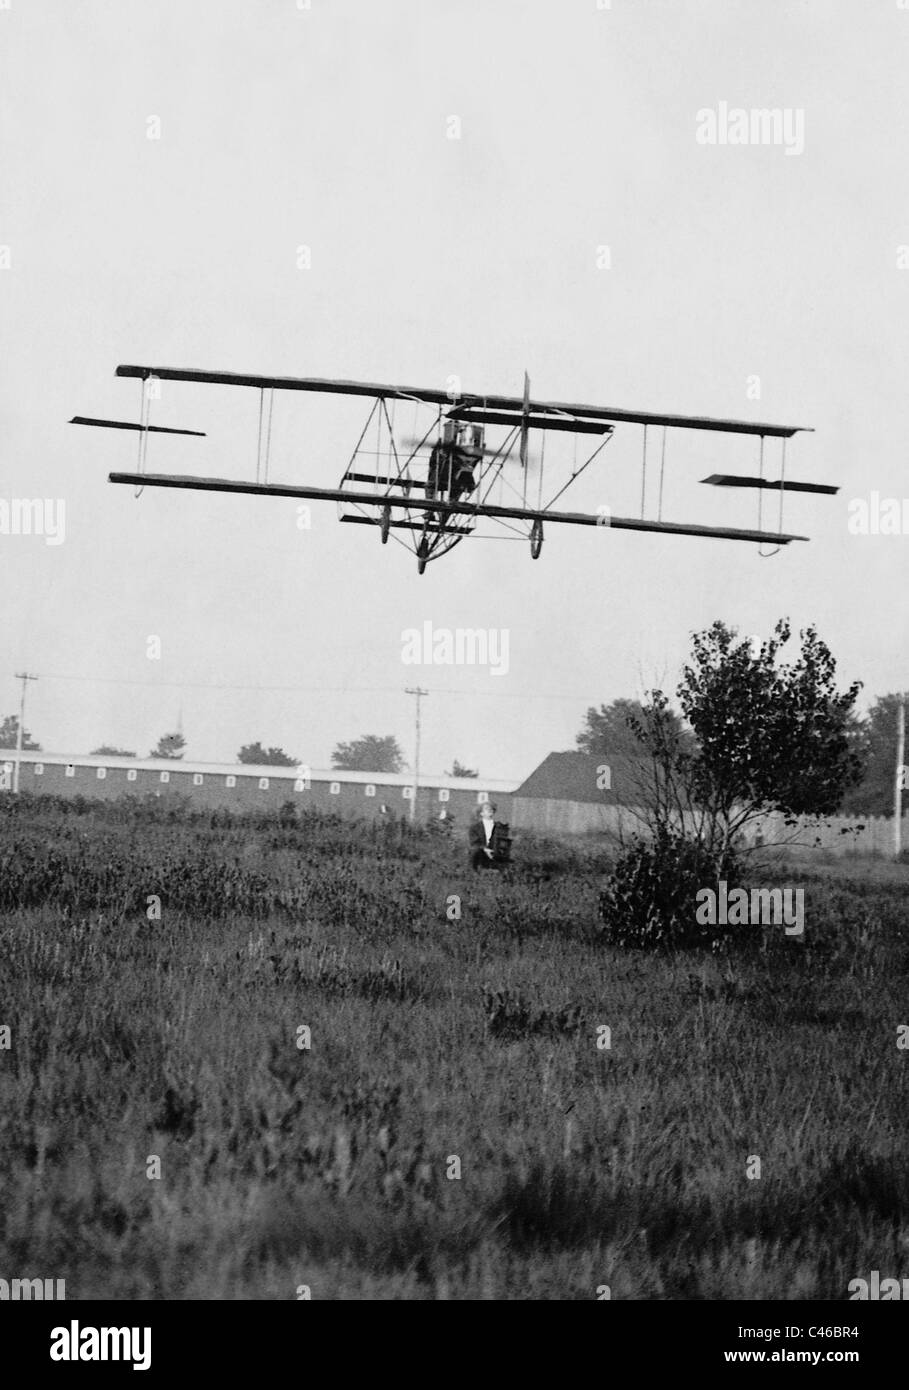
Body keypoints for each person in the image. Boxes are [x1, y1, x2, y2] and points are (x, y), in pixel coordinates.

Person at [469, 801, 510, 870]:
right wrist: (485, 849)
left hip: (496, 852)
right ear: (481, 813)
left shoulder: (499, 826)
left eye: (491, 809)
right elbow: (474, 842)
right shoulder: (475, 827)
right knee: (475, 852)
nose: (489, 810)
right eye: (486, 809)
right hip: (480, 852)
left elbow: (503, 841)